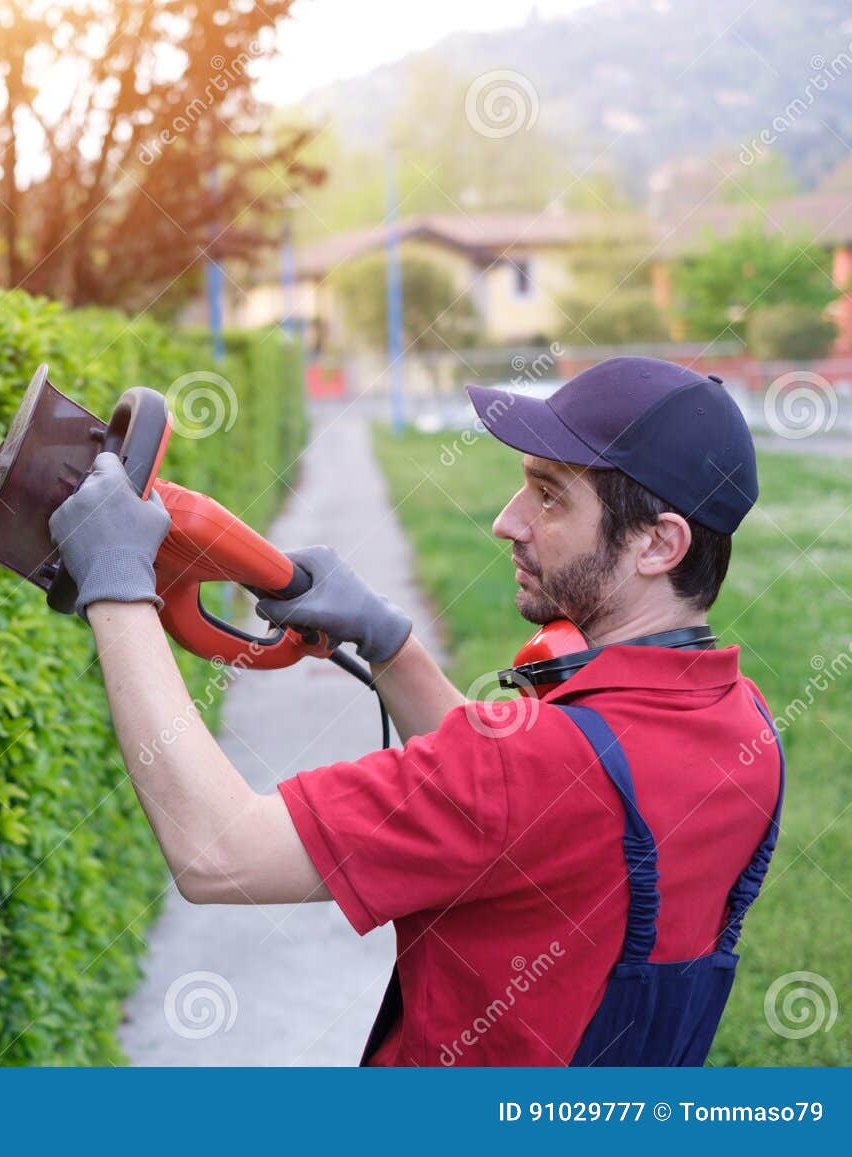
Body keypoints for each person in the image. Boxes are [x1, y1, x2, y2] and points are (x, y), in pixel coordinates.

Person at [48, 356, 783, 1066]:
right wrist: (390, 642)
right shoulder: (742, 725)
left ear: (659, 542)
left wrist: (115, 581)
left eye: (551, 496)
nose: (507, 520)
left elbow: (220, 853)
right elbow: (525, 828)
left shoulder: (537, 765)